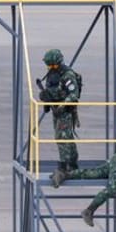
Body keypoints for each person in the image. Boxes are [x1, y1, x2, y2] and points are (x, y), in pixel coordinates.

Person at [38, 49, 82, 187]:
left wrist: (62, 106)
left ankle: (65, 166)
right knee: (64, 137)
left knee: (62, 137)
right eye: (49, 66)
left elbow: (73, 94)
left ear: (59, 63)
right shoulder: (51, 75)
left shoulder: (67, 75)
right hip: (56, 111)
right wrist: (46, 101)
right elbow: (50, 91)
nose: (51, 68)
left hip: (65, 111)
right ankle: (72, 165)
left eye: (53, 65)